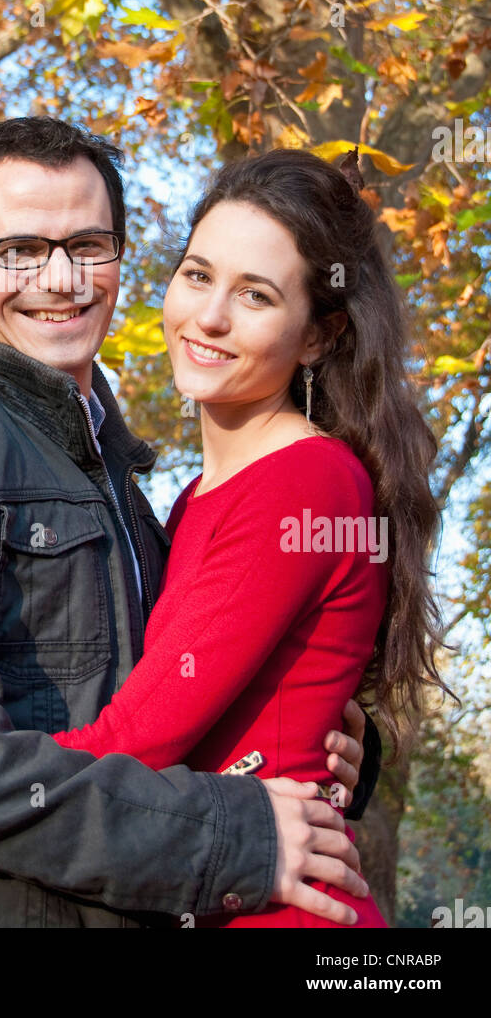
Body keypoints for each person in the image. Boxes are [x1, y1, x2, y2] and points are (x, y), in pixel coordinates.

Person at [0, 118, 376, 930]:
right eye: (17, 250)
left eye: (89, 245)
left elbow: (173, 700)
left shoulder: (124, 486)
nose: (60, 278)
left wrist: (328, 739)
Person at [48, 148, 450, 925]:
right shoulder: (195, 498)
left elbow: (133, 741)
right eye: (197, 275)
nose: (209, 318)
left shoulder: (305, 482)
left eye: (256, 296)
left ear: (317, 337)